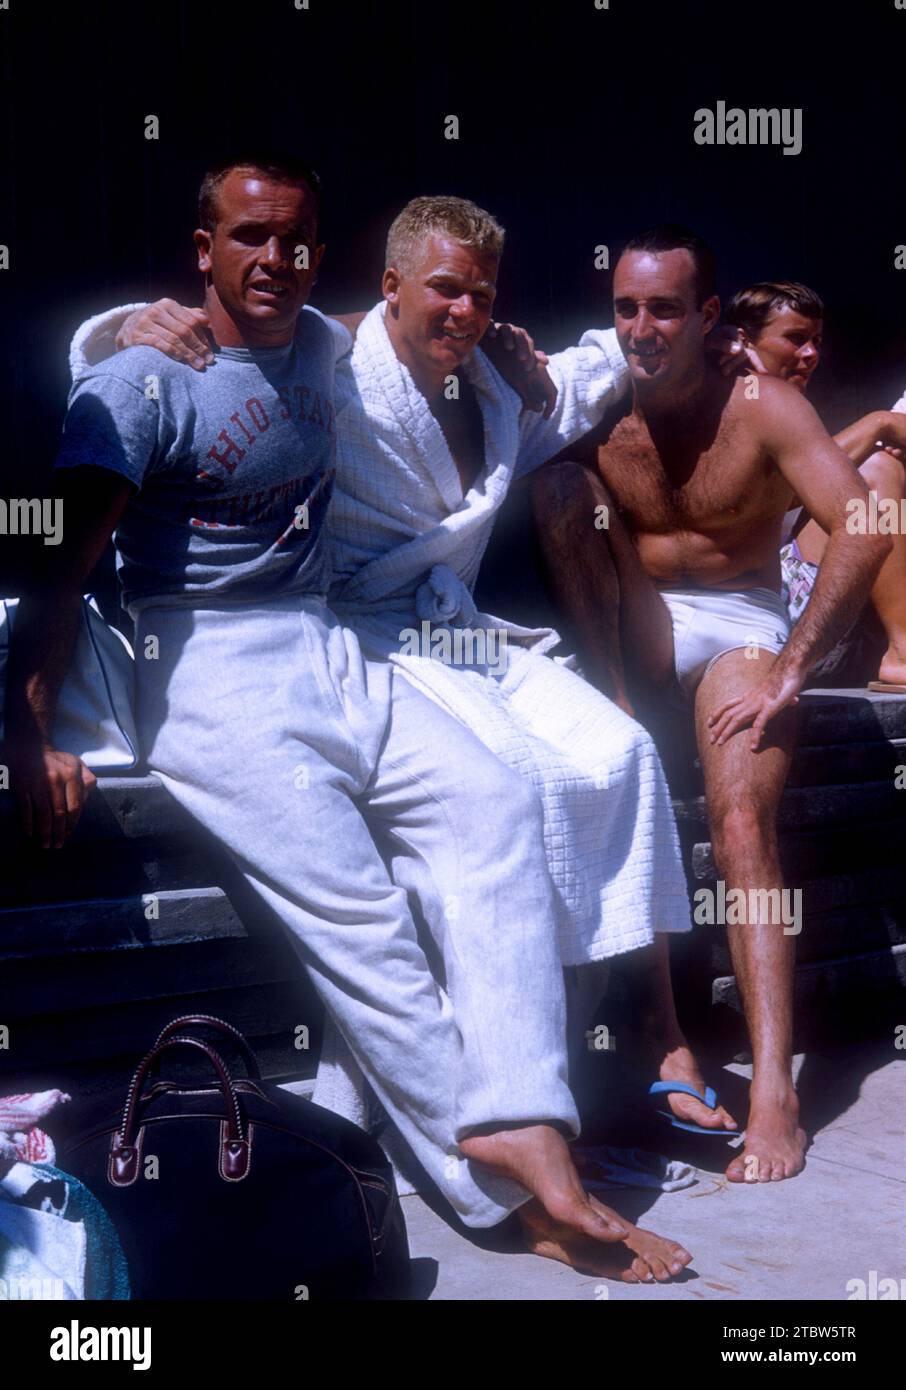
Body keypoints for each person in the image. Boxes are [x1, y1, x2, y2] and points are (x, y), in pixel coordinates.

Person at [4, 158, 694, 1283]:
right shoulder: (142, 379)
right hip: (208, 667)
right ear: (204, 247)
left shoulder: (331, 347)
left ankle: (522, 1107)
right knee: (361, 917)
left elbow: (471, 335)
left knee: (495, 801)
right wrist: (27, 726)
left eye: (296, 240)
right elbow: (59, 560)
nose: (274, 259)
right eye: (249, 238)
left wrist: (520, 352)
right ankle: (497, 1191)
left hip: (332, 642)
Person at [529, 225, 891, 1183]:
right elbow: (458, 346)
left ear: (707, 316)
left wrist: (793, 668)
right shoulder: (597, 408)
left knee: (739, 821)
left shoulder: (762, 406)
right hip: (639, 626)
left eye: (664, 309)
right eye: (626, 308)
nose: (643, 329)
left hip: (740, 624)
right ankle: (665, 1035)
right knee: (561, 487)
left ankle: (773, 1086)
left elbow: (865, 519)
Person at [724, 279, 906, 690]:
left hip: (826, 607)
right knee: (874, 473)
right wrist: (880, 424)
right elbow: (776, 496)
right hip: (769, 622)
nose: (811, 354)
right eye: (795, 339)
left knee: (883, 471)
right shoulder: (724, 401)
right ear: (742, 339)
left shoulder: (788, 401)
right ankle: (903, 652)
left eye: (816, 341)